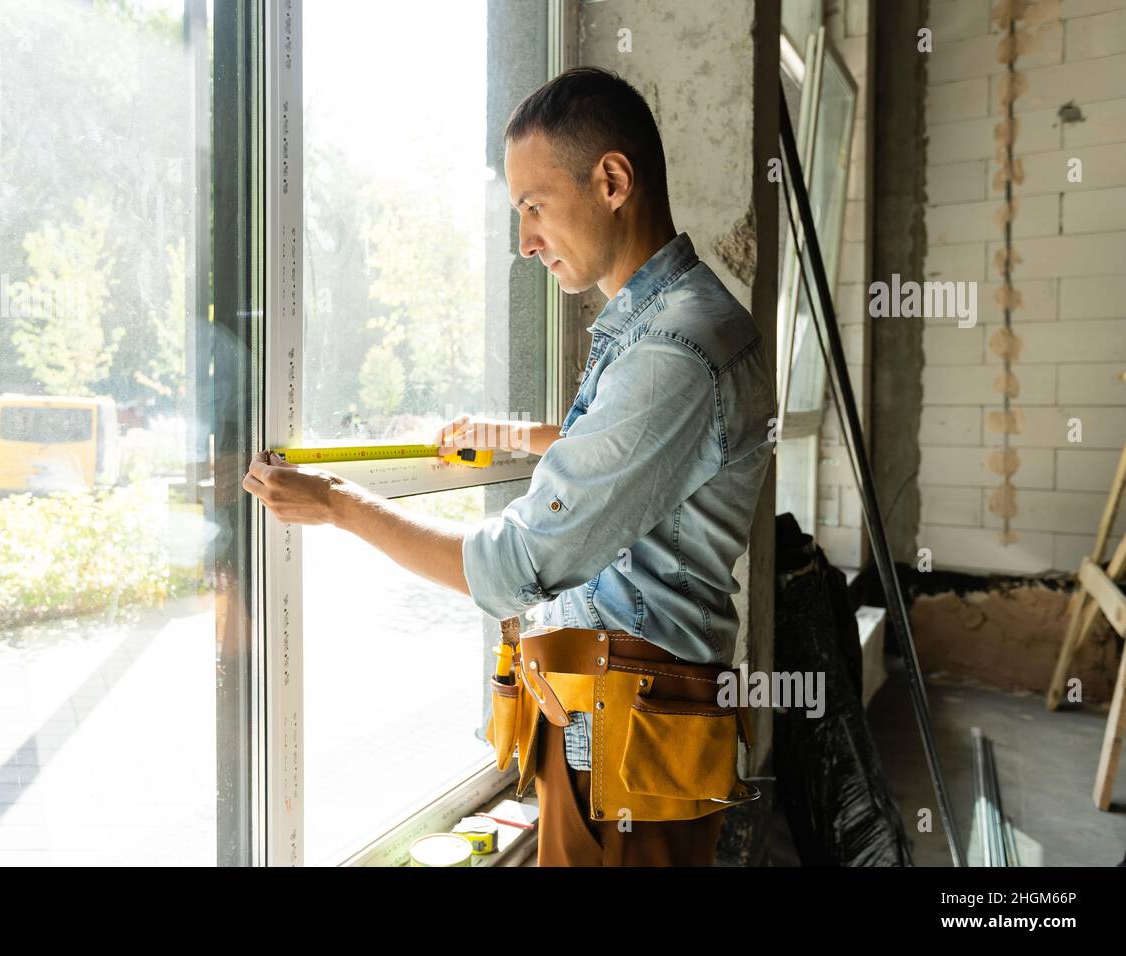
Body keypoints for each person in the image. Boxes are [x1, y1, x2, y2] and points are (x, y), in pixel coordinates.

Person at [243, 66, 776, 867]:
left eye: (533, 206)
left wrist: (340, 505)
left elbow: (521, 563)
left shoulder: (675, 348)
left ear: (611, 180)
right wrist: (517, 436)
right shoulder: (670, 323)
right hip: (622, 724)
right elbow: (632, 458)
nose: (524, 241)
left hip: (628, 746)